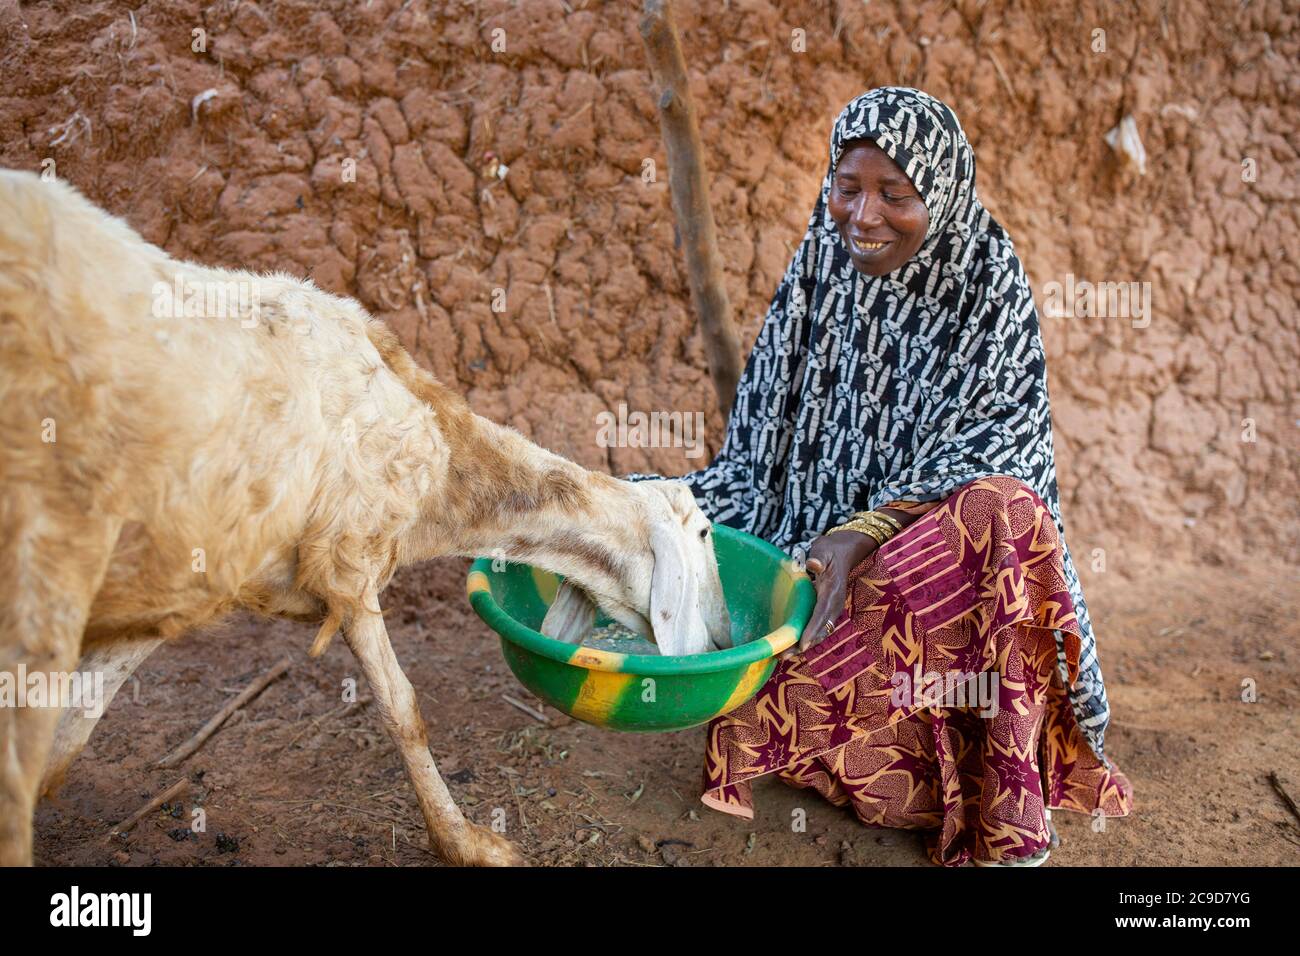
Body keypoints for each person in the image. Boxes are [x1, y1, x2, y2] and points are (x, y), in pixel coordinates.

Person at [626, 87, 1131, 866]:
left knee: (1005, 511)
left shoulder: (986, 282)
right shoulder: (820, 267)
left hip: (940, 602)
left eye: (896, 195)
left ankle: (1003, 805)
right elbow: (754, 467)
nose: (863, 216)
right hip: (824, 582)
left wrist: (867, 530)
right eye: (847, 187)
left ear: (944, 197)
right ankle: (877, 752)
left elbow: (1001, 451)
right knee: (782, 659)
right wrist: (621, 508)